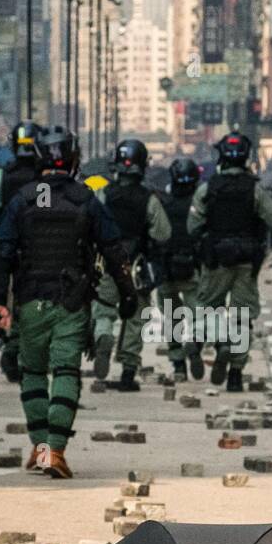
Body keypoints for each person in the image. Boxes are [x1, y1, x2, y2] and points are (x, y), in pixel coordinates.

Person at [0, 129, 137, 479]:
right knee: (66, 373)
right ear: (74, 159)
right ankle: (56, 449)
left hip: (29, 300)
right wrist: (128, 293)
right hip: (71, 301)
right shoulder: (85, 199)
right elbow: (114, 251)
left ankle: (40, 448)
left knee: (34, 373)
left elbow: (2, 253)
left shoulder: (22, 199)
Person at [188, 131, 272, 392]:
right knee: (242, 317)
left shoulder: (208, 189)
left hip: (216, 260)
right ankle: (236, 374)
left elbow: (192, 226)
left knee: (208, 309)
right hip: (246, 261)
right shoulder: (256, 189)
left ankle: (219, 342)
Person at [91, 138, 170, 391]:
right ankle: (127, 371)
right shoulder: (149, 199)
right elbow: (162, 234)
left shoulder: (104, 192)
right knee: (136, 317)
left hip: (106, 262)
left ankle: (103, 335)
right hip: (135, 267)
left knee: (104, 309)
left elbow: (90, 223)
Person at [0, 121, 43, 382]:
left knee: (4, 300)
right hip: (37, 249)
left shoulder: (1, 176)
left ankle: (10, 346)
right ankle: (21, 351)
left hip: (6, 248)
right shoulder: (44, 178)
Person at [156, 157, 205, 381]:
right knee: (200, 316)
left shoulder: (162, 203)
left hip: (165, 269)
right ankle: (194, 344)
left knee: (171, 319)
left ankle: (177, 364)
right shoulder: (200, 206)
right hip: (192, 269)